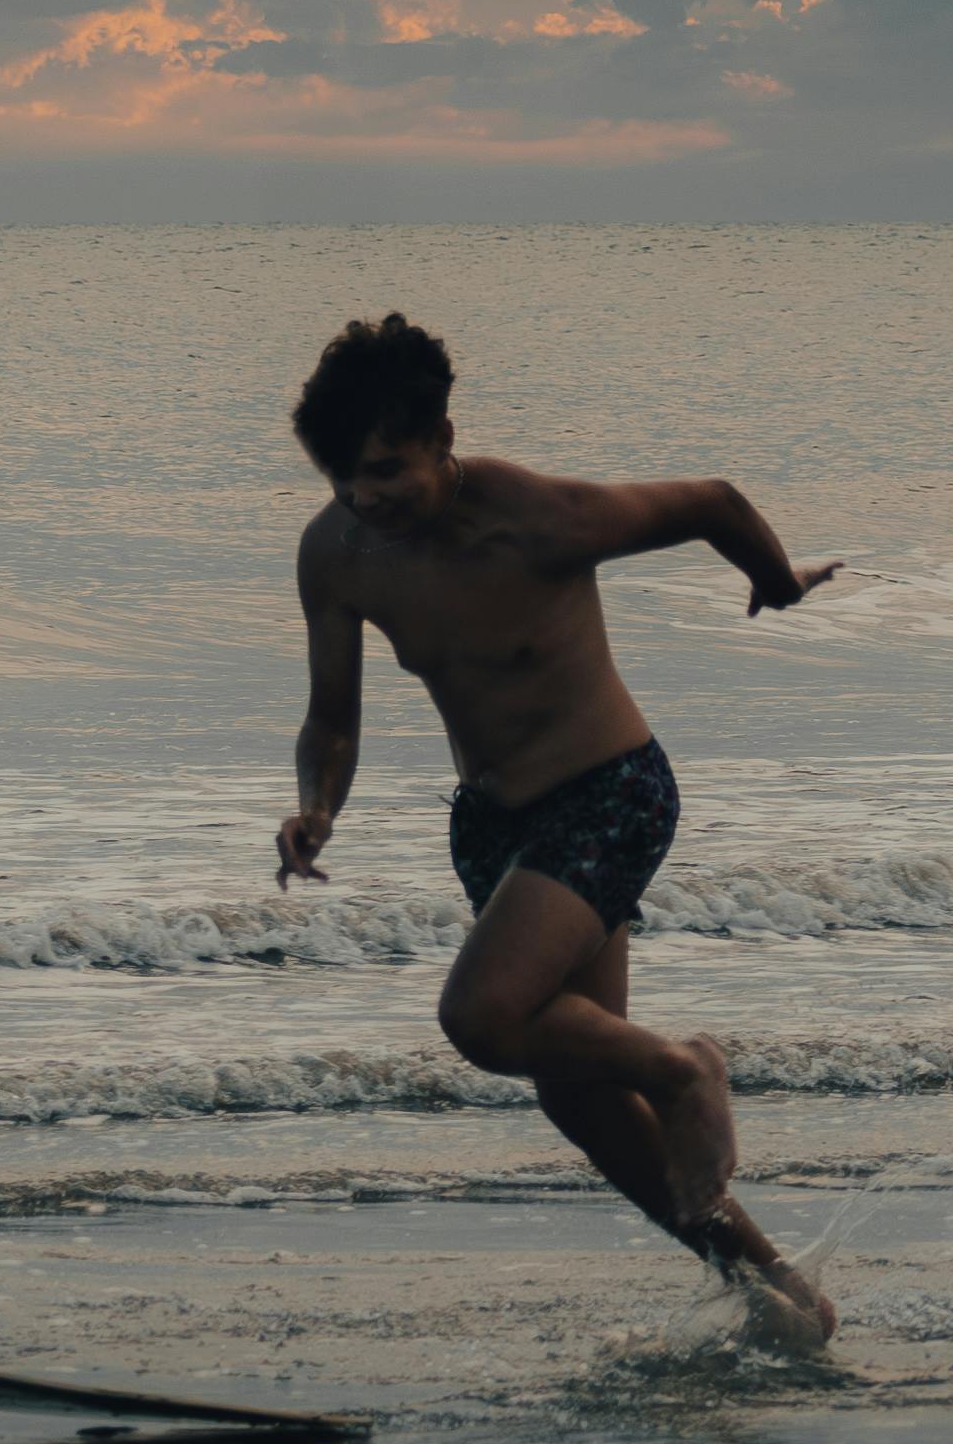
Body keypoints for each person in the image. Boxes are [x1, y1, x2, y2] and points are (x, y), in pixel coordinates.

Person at [271, 312, 843, 1351]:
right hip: (495, 830)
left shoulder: (535, 517)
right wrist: (318, 804)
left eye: (388, 468)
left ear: (444, 437)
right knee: (576, 1097)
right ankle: (778, 1293)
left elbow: (711, 501)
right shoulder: (338, 555)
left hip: (608, 794)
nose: (367, 497)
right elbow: (332, 719)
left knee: (481, 1017)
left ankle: (684, 1070)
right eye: (345, 479)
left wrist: (772, 578)